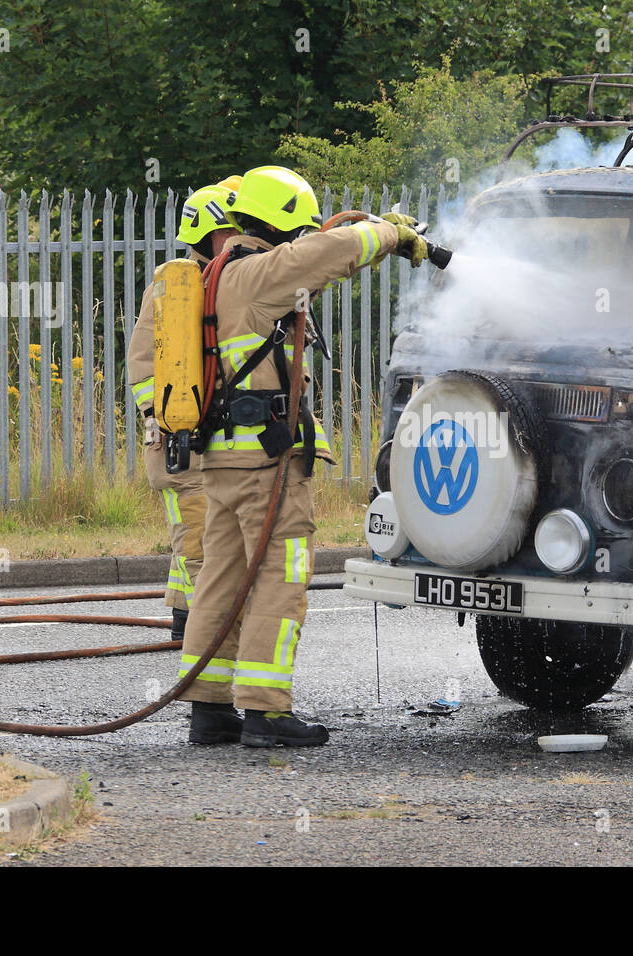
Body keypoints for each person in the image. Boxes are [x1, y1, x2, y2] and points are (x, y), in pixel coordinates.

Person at [179, 164, 428, 746]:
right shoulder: (261, 272)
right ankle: (266, 711)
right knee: (281, 576)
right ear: (283, 226)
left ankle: (209, 709)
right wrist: (391, 232)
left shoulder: (209, 276)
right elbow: (332, 251)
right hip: (266, 464)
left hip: (221, 458)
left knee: (221, 575)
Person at [126, 178, 243, 743]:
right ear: (210, 230)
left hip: (186, 446)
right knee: (200, 547)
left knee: (188, 541)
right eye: (232, 229)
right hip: (184, 446)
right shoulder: (177, 289)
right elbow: (145, 368)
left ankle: (181, 619)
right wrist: (172, 424)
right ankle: (203, 663)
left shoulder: (207, 281)